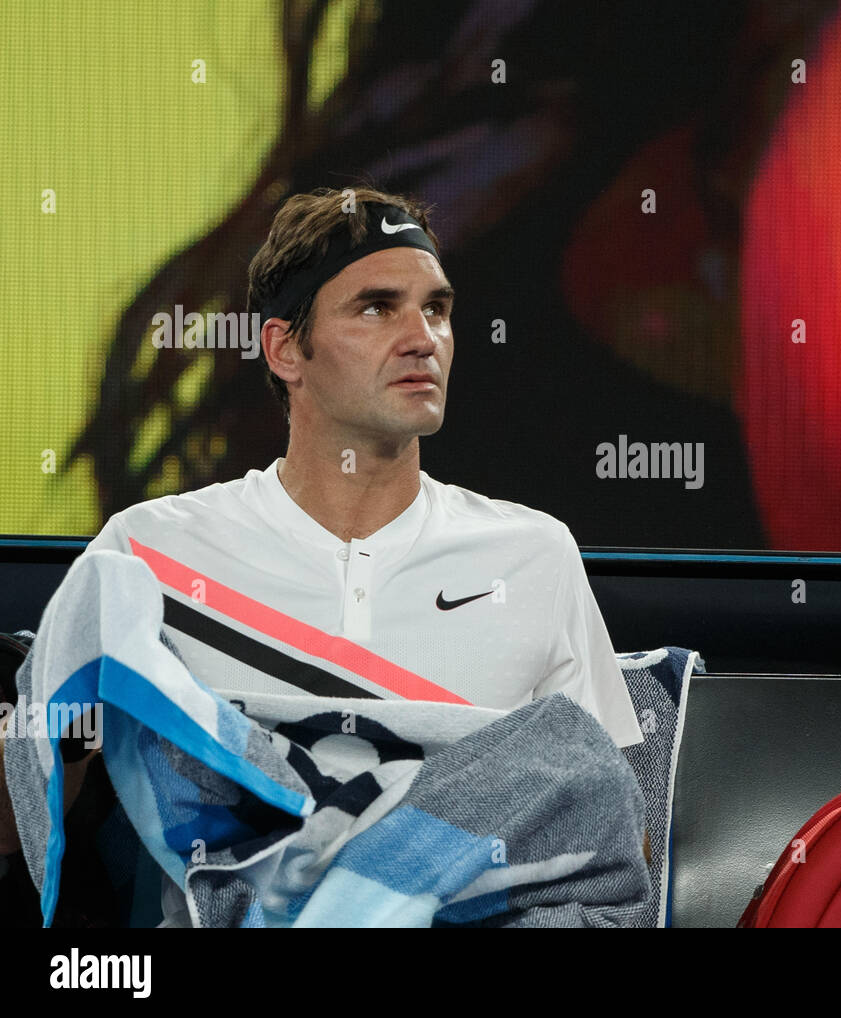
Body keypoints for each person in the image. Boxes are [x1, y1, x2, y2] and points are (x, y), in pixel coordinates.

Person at [2, 185, 645, 862]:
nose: (423, 339)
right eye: (376, 308)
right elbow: (28, 817)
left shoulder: (535, 556)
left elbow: (616, 837)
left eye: (437, 309)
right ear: (284, 349)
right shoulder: (145, 553)